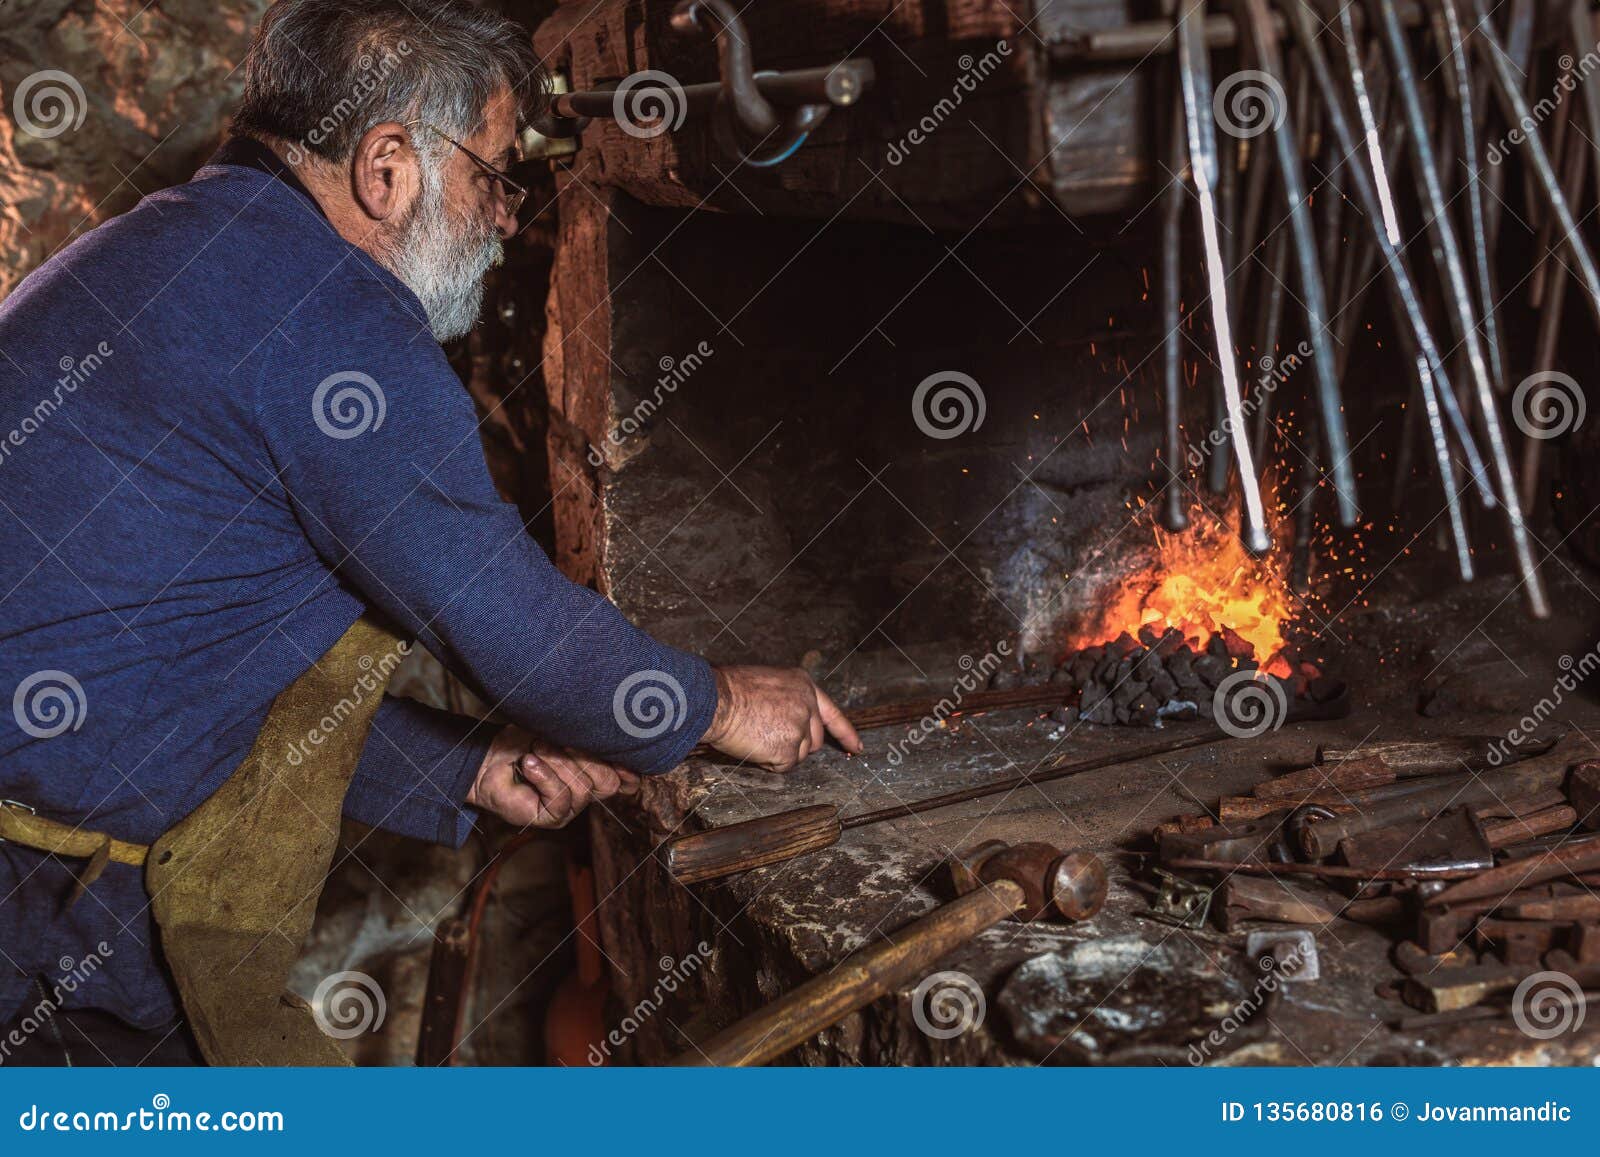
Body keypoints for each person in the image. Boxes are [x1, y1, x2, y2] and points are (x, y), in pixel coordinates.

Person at [0, 0, 859, 1062]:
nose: (508, 216)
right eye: (496, 172)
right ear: (388, 164)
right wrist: (719, 703)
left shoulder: (172, 246)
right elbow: (508, 616)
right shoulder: (328, 317)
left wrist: (464, 766)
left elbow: (184, 687)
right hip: (40, 938)